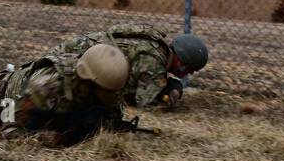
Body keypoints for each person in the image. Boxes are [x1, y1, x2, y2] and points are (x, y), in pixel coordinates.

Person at [0, 44, 130, 145]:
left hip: (35, 102)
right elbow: (9, 129)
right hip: (4, 98)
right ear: (88, 81)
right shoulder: (46, 87)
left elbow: (111, 113)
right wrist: (45, 141)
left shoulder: (101, 81)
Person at [45, 23, 208, 110]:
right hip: (64, 64)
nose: (188, 73)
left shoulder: (157, 47)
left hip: (72, 51)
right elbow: (145, 103)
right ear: (181, 61)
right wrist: (174, 89)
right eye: (189, 69)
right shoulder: (155, 64)